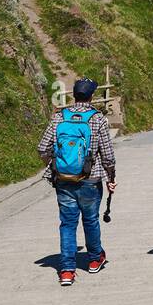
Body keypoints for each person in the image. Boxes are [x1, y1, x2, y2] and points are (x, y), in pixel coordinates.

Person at [37, 76, 116, 286]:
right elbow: (107, 154)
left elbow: (42, 148)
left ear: (74, 95)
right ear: (91, 96)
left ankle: (66, 270)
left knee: (68, 223)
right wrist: (111, 178)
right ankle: (94, 259)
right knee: (90, 220)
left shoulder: (59, 117)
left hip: (63, 179)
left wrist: (55, 164)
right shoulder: (97, 118)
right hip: (91, 179)